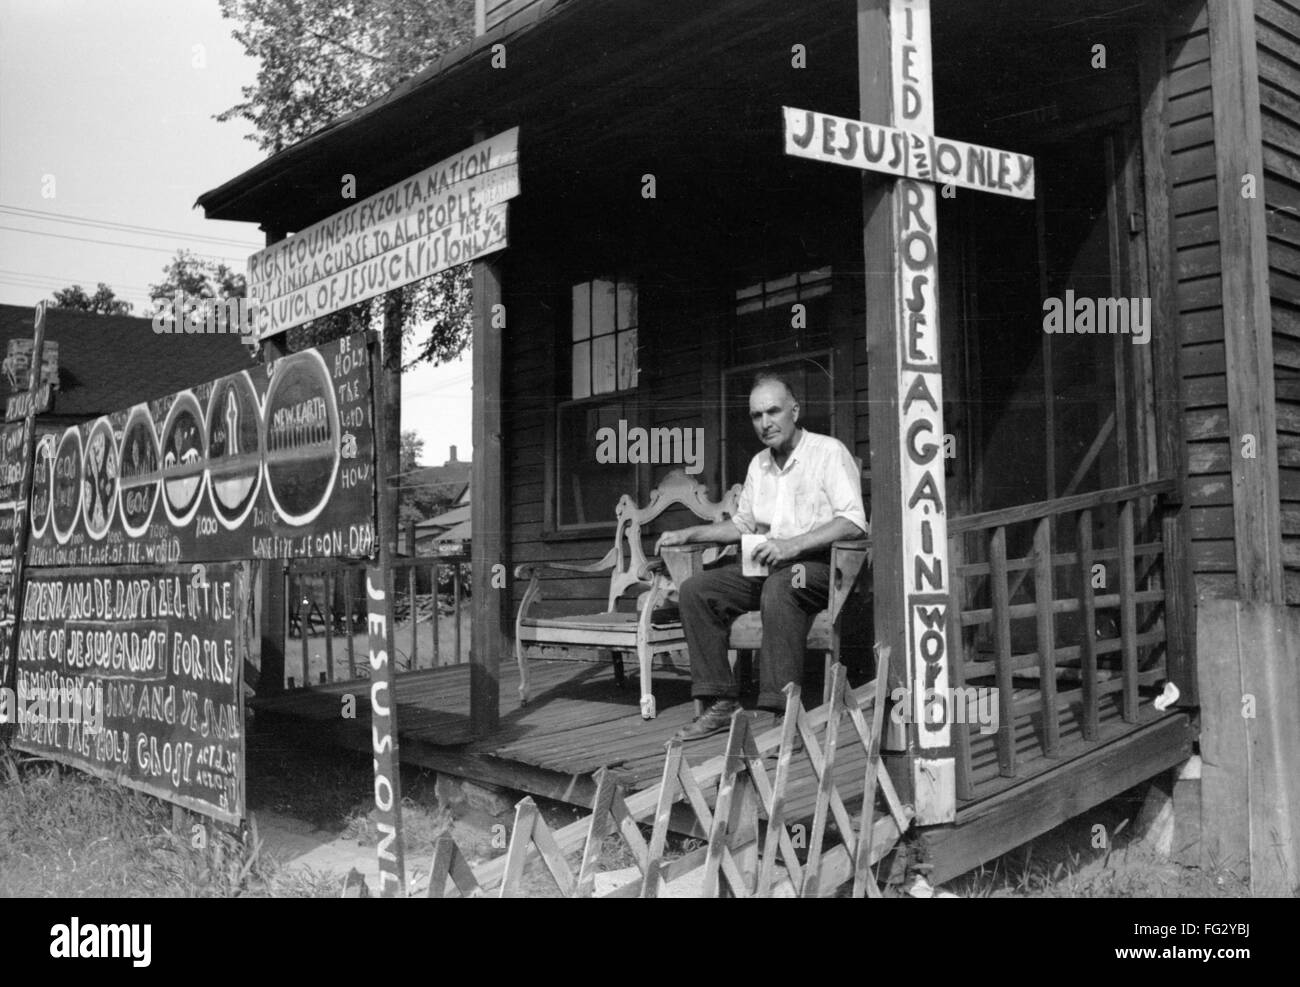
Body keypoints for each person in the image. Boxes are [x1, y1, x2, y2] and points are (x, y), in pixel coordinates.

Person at [655, 372, 867, 741]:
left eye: (773, 411)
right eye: (757, 415)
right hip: (767, 565)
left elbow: (853, 523)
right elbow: (742, 524)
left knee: (782, 586)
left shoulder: (827, 452)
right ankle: (721, 702)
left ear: (794, 411)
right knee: (696, 590)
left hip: (816, 568)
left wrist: (793, 545)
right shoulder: (759, 464)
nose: (765, 423)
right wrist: (690, 533)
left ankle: (781, 715)